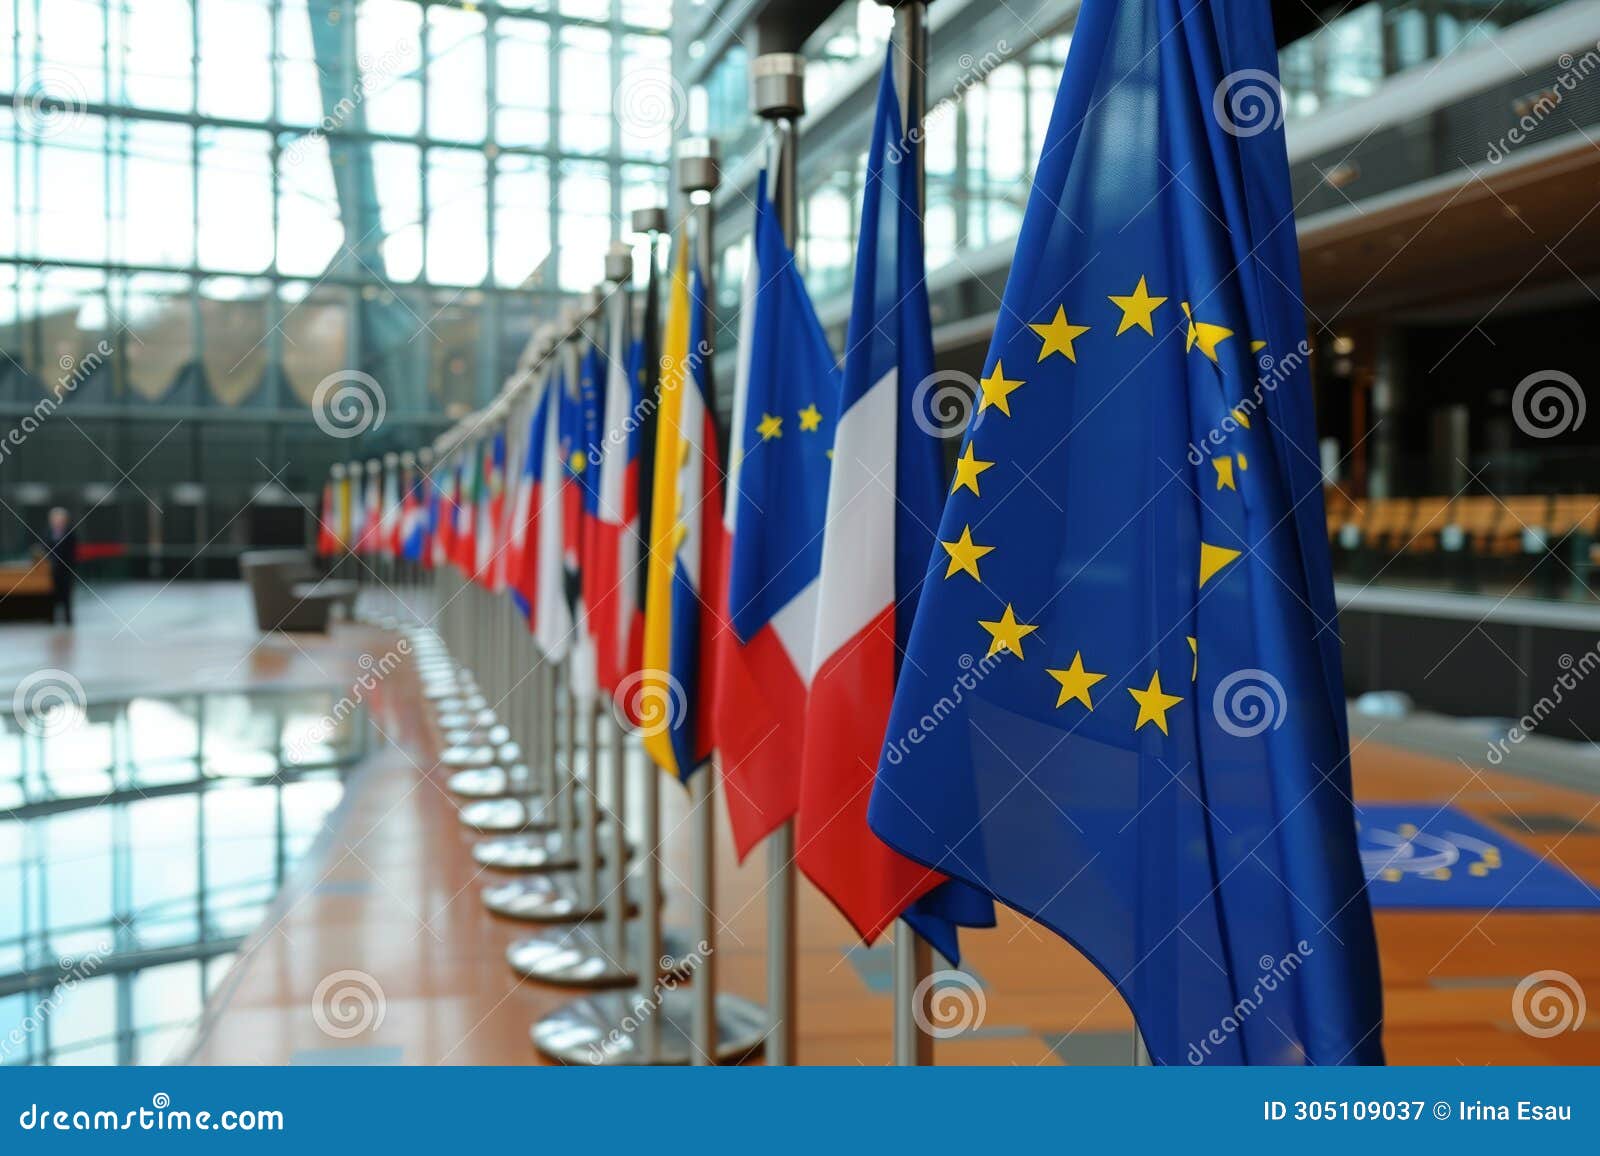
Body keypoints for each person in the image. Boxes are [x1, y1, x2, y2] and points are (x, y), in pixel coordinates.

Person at [44, 507, 77, 625]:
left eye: (60, 519)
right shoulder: (47, 533)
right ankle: (51, 619)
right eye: (55, 519)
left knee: (66, 596)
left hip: (66, 570)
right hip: (51, 571)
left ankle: (68, 620)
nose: (58, 521)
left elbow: (72, 552)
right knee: (51, 596)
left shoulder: (70, 533)